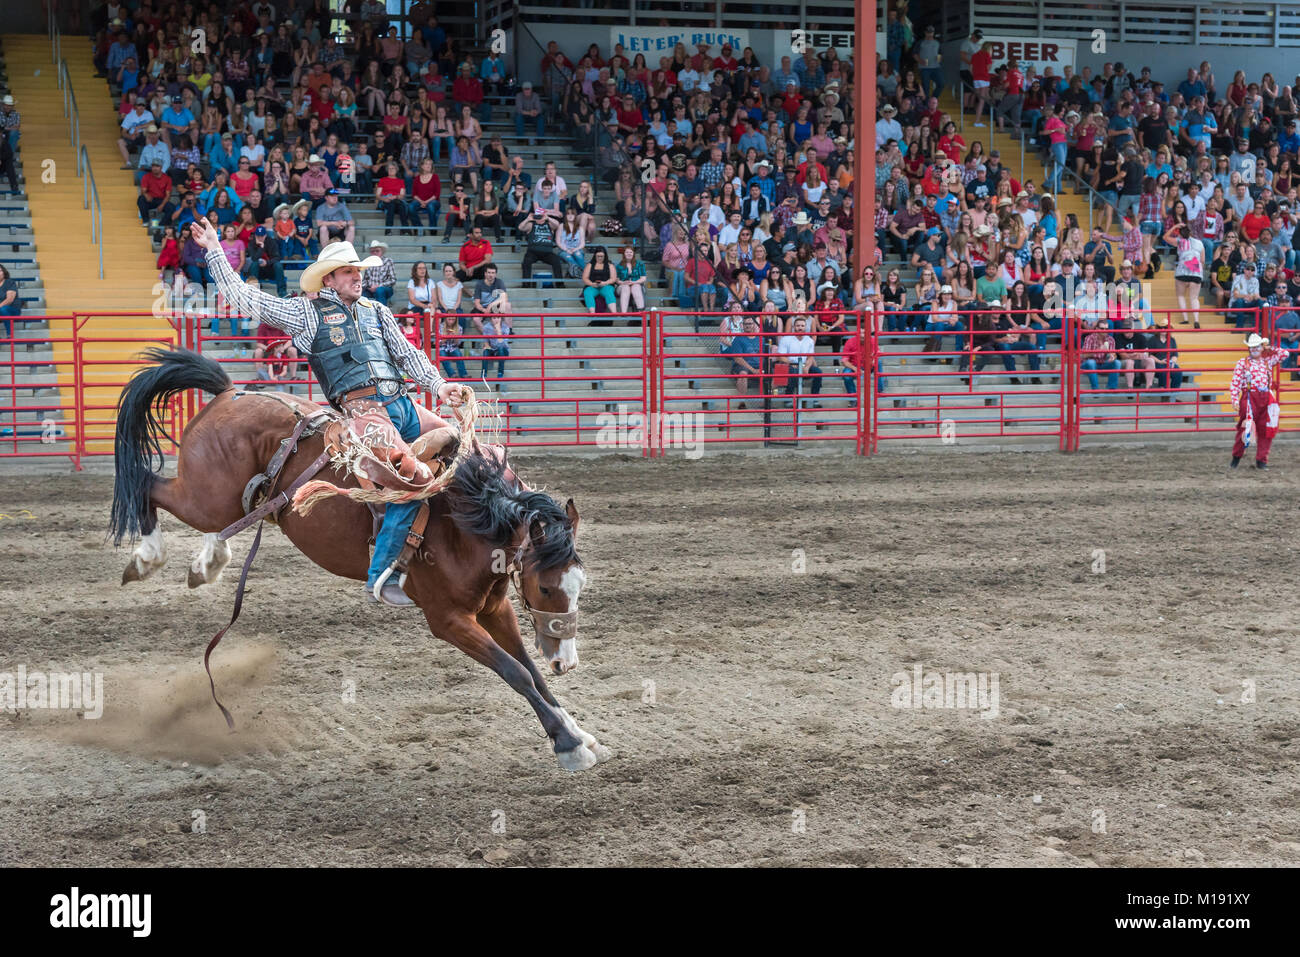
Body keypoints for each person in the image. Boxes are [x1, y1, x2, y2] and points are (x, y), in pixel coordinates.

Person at [189, 219, 468, 606]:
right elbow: (245, 299)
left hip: (403, 403)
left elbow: (407, 354)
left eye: (358, 270)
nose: (358, 276)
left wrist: (439, 386)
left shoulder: (377, 311)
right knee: (409, 476)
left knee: (462, 446)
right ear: (329, 280)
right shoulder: (308, 313)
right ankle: (382, 573)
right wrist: (215, 251)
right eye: (349, 271)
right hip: (363, 412)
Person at [1229, 333, 1286, 469]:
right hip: (1249, 397)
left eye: (1257, 346)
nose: (1254, 349)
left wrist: (1270, 348)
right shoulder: (1242, 363)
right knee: (1245, 427)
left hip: (1266, 397)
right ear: (1248, 348)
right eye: (1252, 347)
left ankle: (1262, 461)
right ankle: (1236, 458)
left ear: (1262, 348)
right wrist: (1235, 399)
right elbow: (1235, 383)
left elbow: (1285, 354)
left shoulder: (1268, 361)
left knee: (1266, 429)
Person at [520, 207, 567, 285]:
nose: (539, 218)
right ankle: (526, 284)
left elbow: (557, 224)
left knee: (556, 261)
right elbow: (520, 227)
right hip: (533, 252)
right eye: (537, 216)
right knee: (526, 261)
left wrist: (547, 217)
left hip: (547, 253)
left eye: (540, 216)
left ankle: (560, 284)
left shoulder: (549, 225)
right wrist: (528, 219)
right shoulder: (531, 225)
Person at [362, 239, 397, 306]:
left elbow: (393, 280)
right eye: (372, 251)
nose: (375, 253)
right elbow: (365, 280)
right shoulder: (367, 262)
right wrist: (369, 287)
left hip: (385, 288)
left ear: (382, 252)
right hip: (370, 289)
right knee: (361, 295)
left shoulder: (388, 261)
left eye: (377, 251)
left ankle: (381, 313)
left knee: (379, 291)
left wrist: (378, 286)